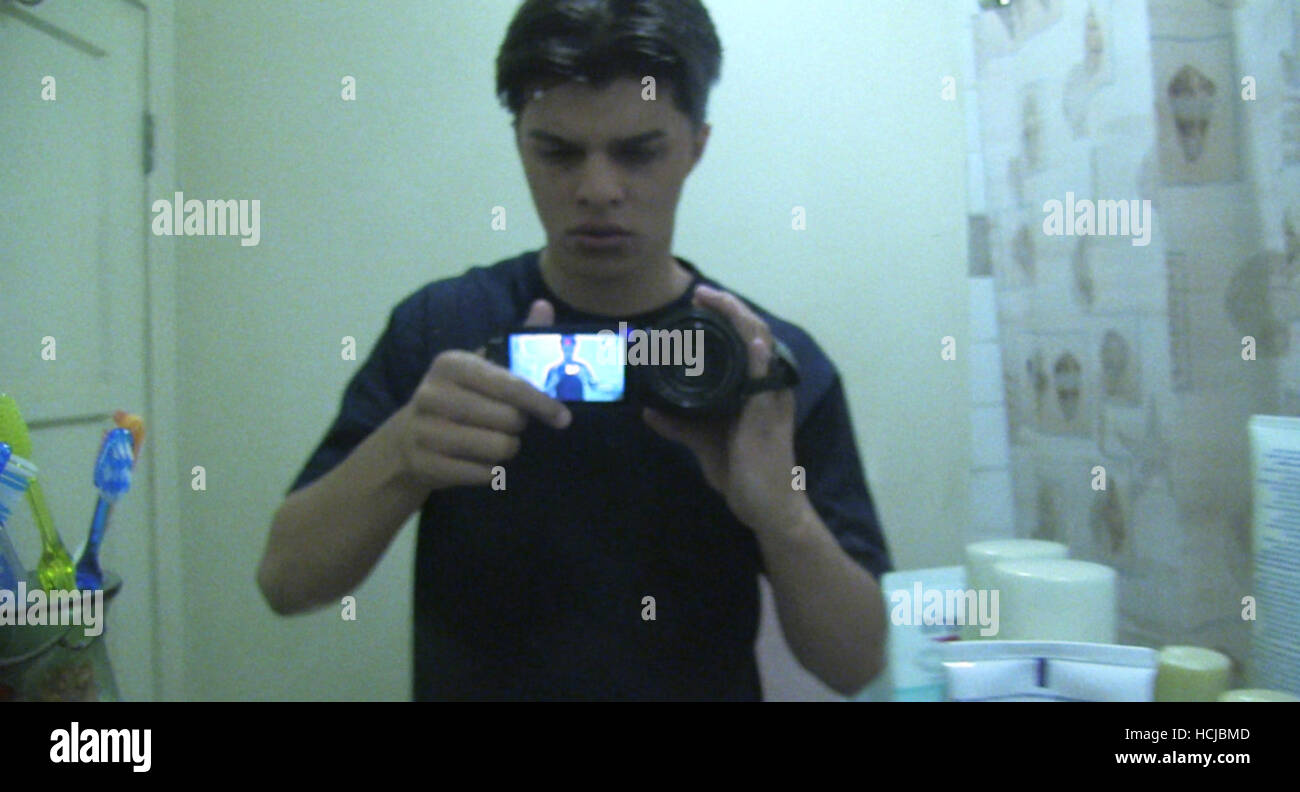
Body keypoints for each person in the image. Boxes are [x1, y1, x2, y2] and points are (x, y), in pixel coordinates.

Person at [257, 0, 892, 700]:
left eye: (638, 151)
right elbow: (287, 582)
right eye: (558, 152)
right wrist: (403, 454)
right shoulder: (440, 328)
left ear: (696, 146)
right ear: (519, 142)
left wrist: (783, 517)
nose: (597, 191)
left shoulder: (764, 367)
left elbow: (857, 664)